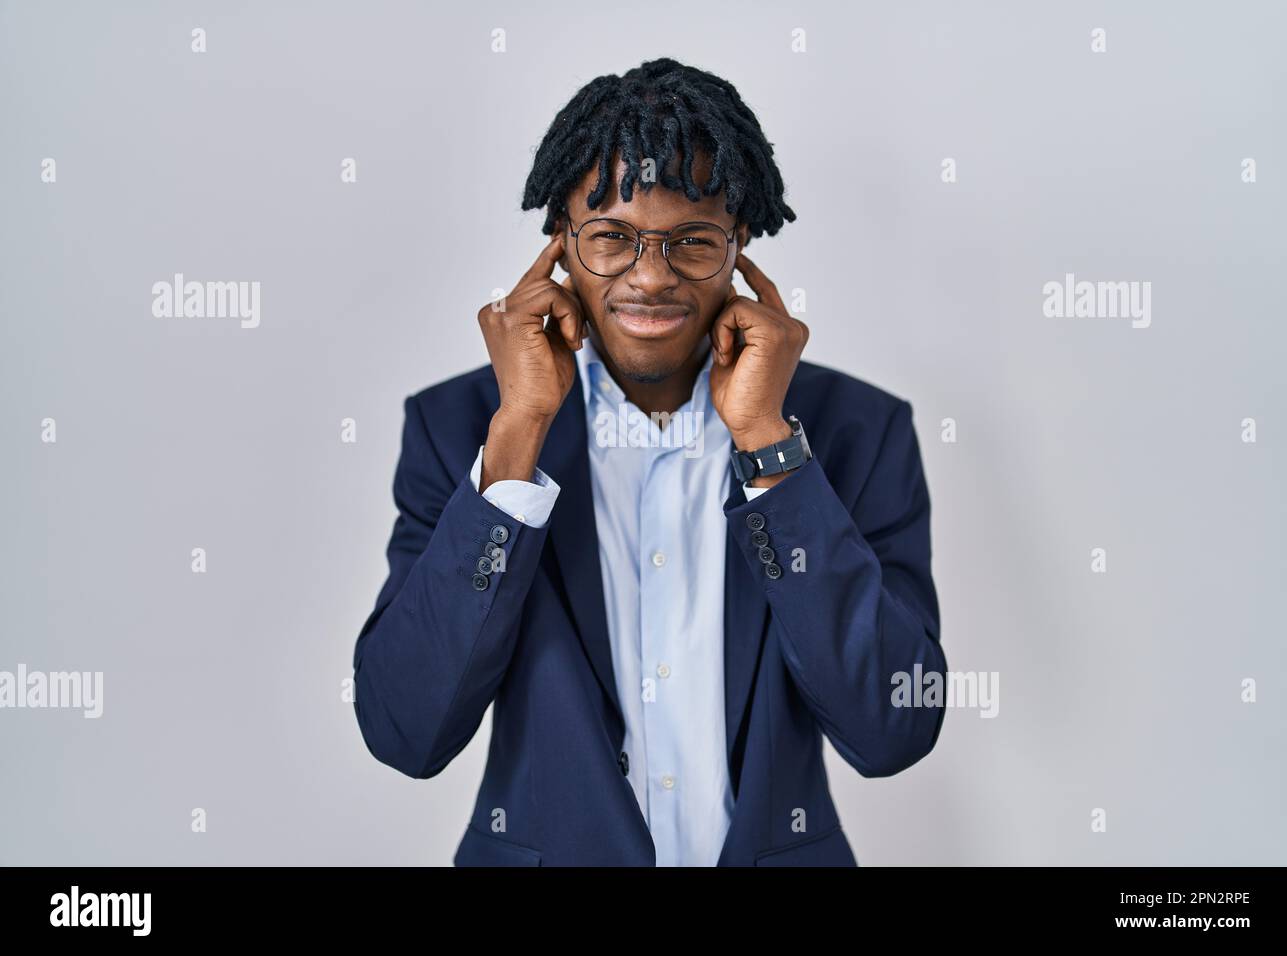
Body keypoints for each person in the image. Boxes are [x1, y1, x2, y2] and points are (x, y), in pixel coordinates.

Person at [352, 58, 946, 866]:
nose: (652, 276)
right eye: (612, 238)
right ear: (560, 247)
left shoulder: (855, 432)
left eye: (693, 241)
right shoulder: (459, 429)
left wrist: (770, 451)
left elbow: (894, 728)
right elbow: (403, 729)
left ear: (741, 247)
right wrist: (519, 434)